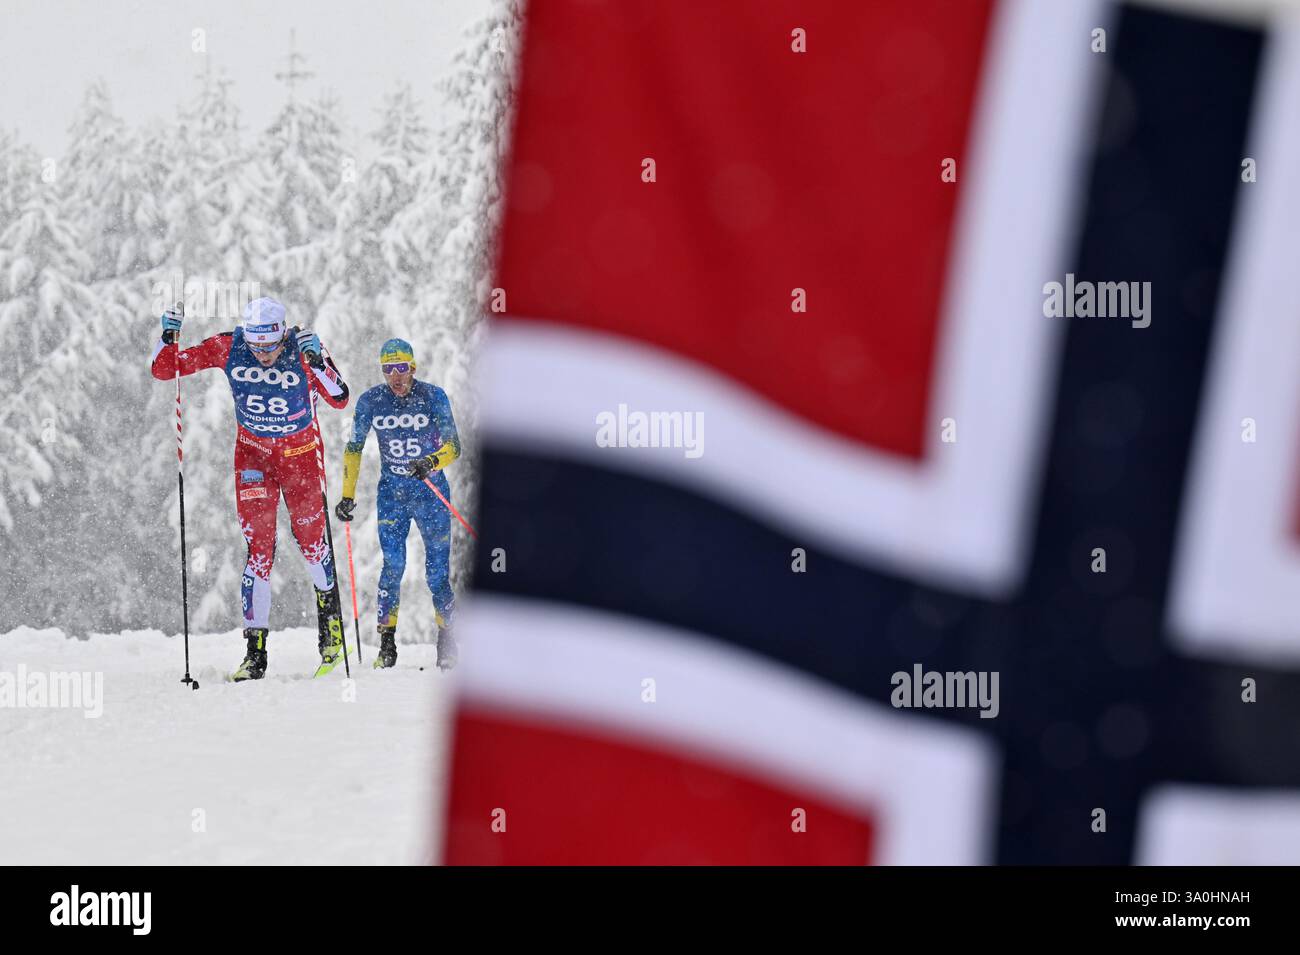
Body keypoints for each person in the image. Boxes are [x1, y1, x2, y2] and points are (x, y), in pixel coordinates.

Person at [150, 297, 350, 680]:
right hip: (254, 457)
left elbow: (340, 398)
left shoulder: (304, 346)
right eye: (256, 347)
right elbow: (165, 369)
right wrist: (167, 336)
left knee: (312, 543)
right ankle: (254, 655)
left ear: (283, 335)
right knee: (259, 550)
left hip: (301, 458)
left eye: (270, 347)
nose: (263, 355)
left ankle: (331, 632)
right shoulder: (231, 345)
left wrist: (318, 364)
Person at [335, 339, 461, 670]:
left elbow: (454, 446)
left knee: (437, 573)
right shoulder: (371, 401)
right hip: (393, 495)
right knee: (393, 566)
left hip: (431, 493)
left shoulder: (433, 396)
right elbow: (354, 447)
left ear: (413, 368)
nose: (395, 376)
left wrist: (430, 462)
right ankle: (387, 645)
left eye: (401, 368)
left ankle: (447, 641)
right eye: (388, 369)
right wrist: (347, 495)